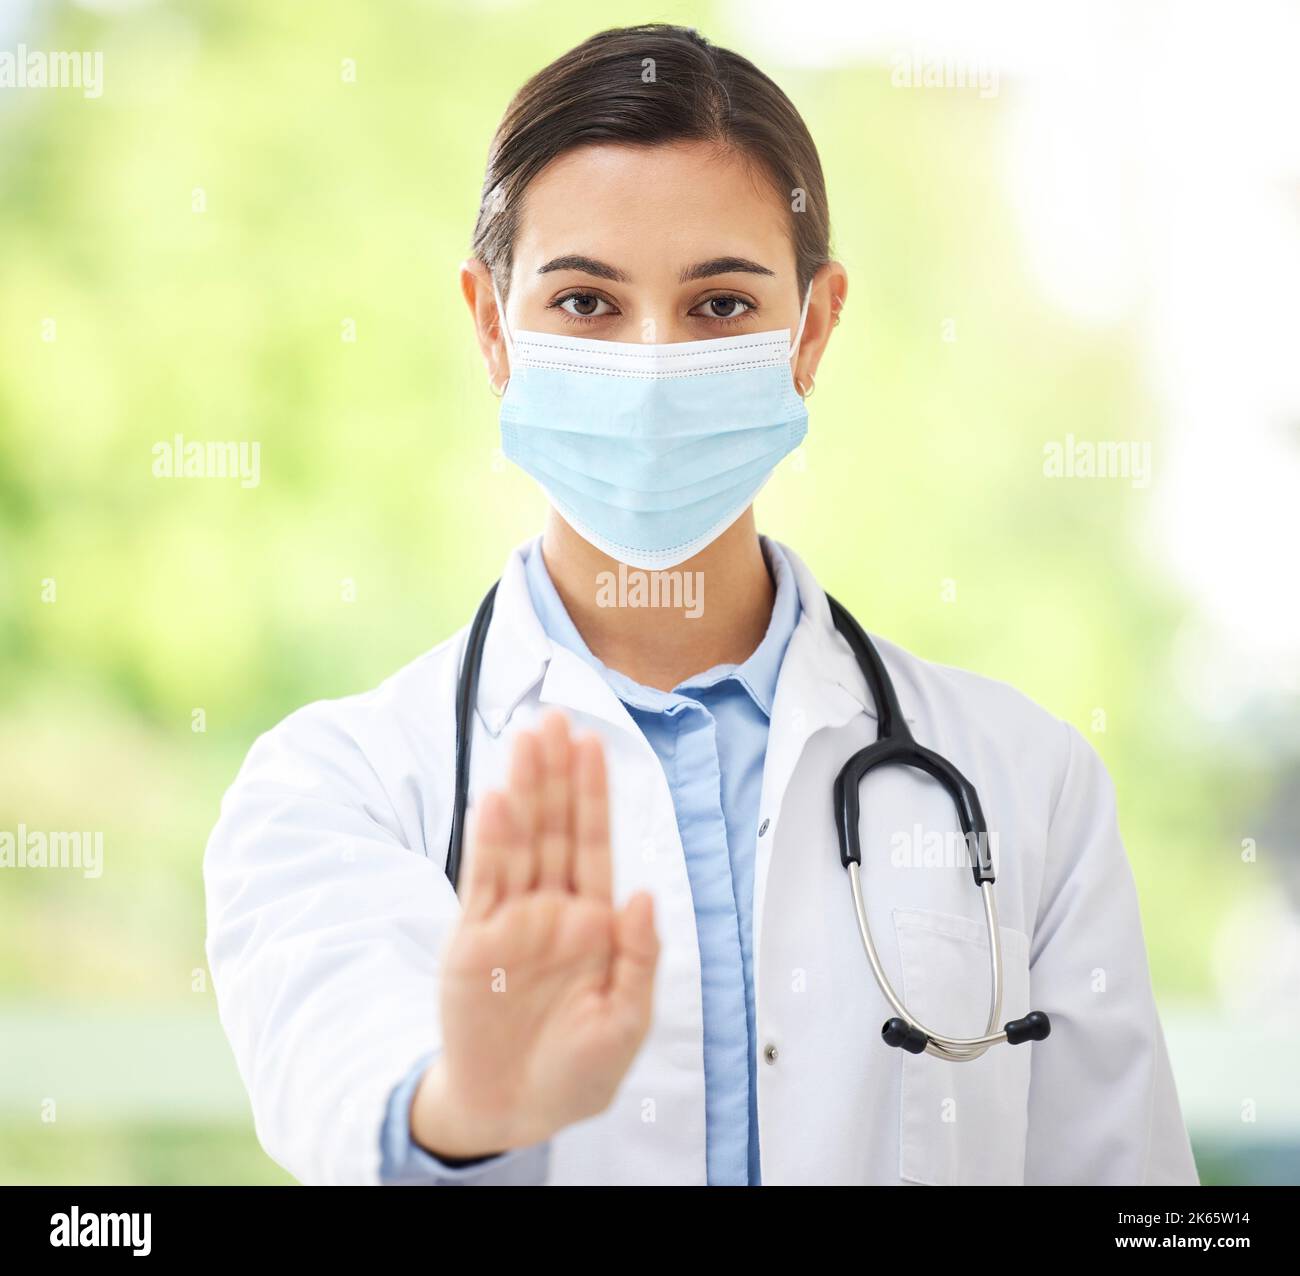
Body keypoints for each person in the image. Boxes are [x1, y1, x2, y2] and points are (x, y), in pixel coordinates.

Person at [203, 23, 1199, 1186]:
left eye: (720, 305)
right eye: (584, 302)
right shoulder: (338, 787)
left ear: (812, 329)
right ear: (491, 326)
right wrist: (469, 1107)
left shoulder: (1026, 783)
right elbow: (346, 1094)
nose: (655, 359)